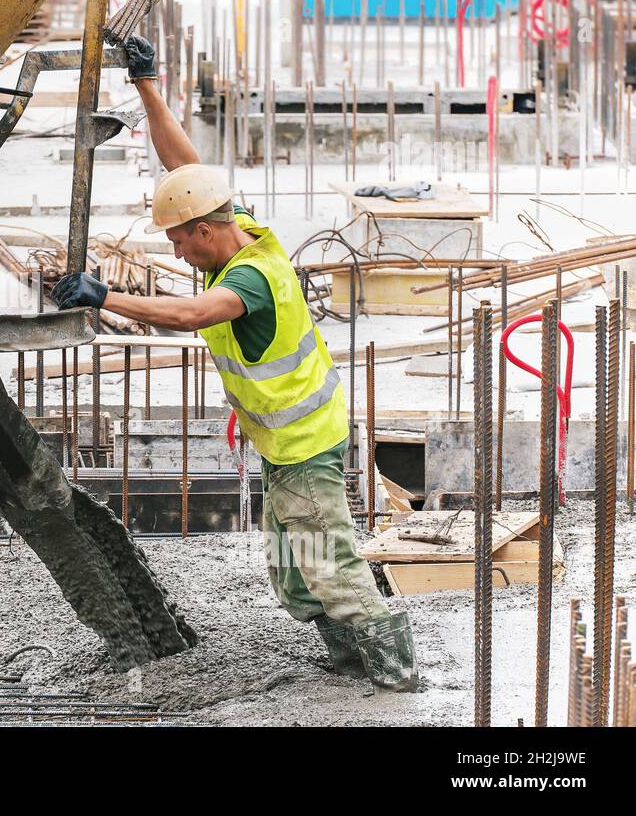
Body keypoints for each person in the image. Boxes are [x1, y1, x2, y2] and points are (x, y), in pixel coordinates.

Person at [53, 36, 418, 691]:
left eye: (179, 240)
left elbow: (195, 314)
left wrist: (103, 295)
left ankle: (397, 676)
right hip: (290, 444)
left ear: (204, 231)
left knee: (329, 562)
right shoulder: (238, 224)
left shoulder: (248, 280)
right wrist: (147, 84)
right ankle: (345, 654)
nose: (179, 251)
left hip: (306, 448)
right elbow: (184, 166)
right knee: (294, 570)